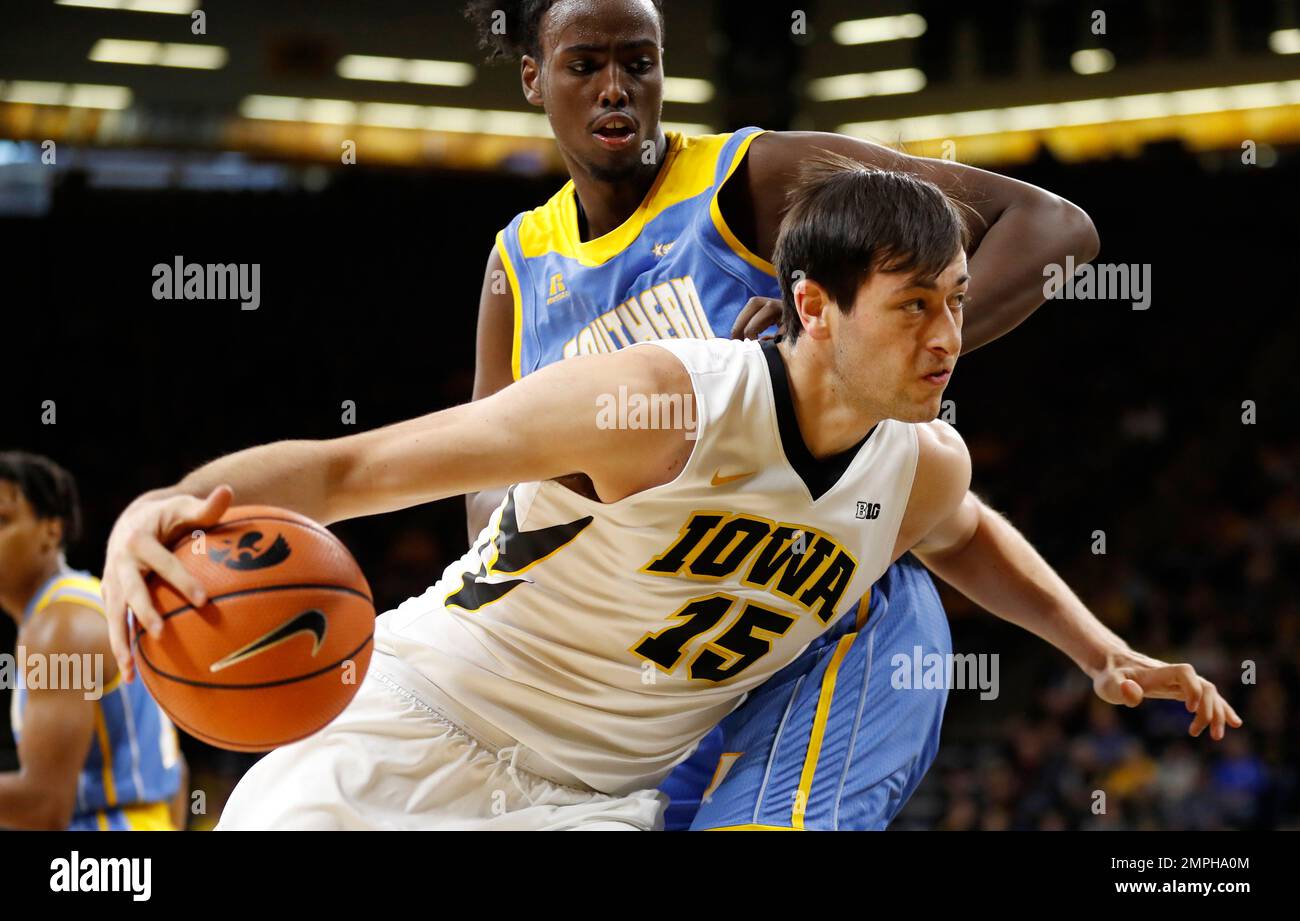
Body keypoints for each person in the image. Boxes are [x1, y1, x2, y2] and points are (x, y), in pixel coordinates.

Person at [101, 162, 1239, 830]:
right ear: (812, 307)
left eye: (953, 301)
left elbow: (967, 534)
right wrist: (164, 505)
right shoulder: (654, 406)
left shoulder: (918, 462)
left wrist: (1098, 651)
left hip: (592, 803)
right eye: (914, 308)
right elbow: (361, 469)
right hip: (418, 728)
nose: (948, 337)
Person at [460, 0, 1101, 828]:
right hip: (666, 661)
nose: (616, 88)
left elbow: (1053, 227)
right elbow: (485, 480)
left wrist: (856, 364)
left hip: (823, 613)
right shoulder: (518, 261)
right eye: (585, 66)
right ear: (533, 79)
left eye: (640, 63)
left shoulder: (747, 178)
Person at [0, 452, 186, 830]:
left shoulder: (60, 628)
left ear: (51, 531)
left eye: (1, 520)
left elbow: (43, 806)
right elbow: (177, 775)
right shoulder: (91, 600)